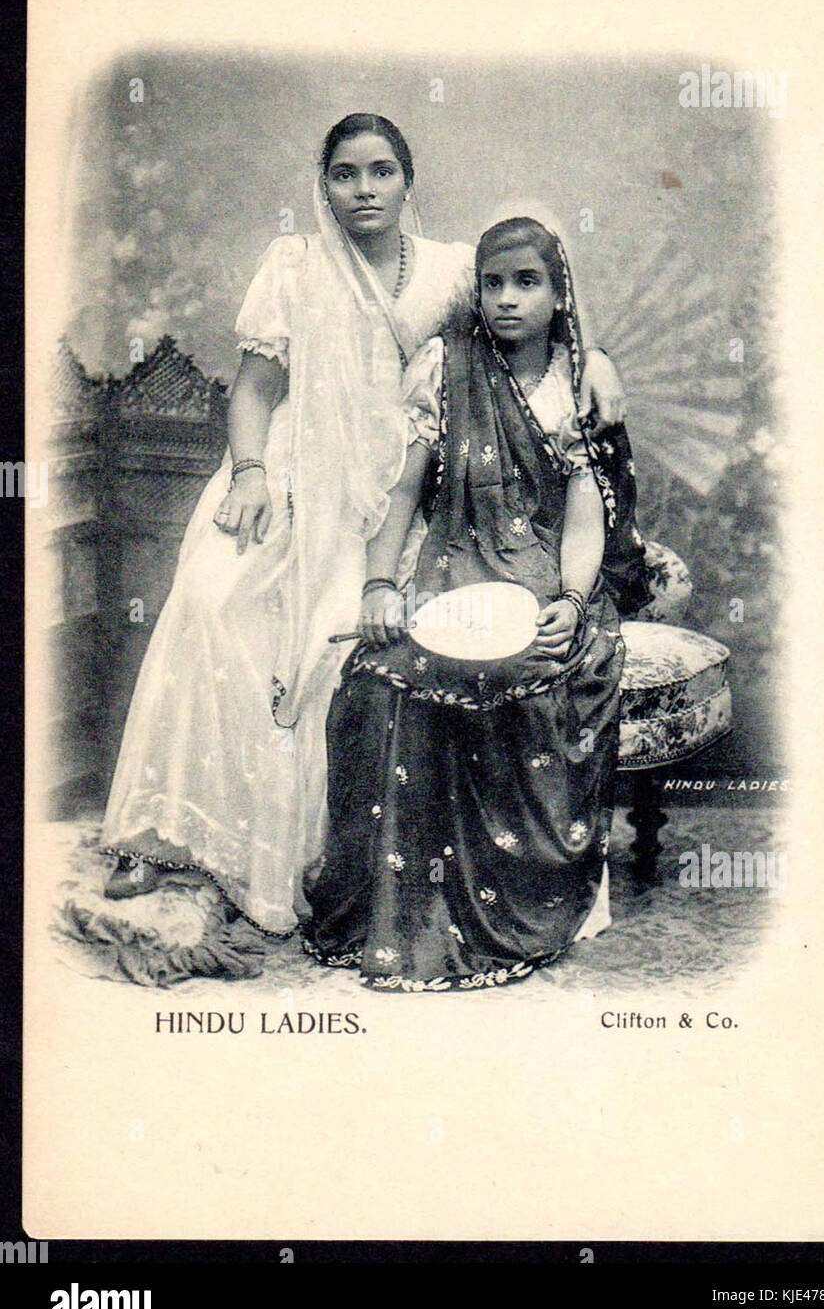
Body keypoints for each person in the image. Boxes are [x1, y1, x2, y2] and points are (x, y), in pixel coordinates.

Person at [100, 115, 627, 938]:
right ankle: (175, 841)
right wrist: (247, 474)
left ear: (407, 181)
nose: (364, 190)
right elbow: (252, 389)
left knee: (337, 641)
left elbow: (541, 317)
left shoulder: (454, 272)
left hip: (405, 491)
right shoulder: (294, 266)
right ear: (324, 184)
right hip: (293, 474)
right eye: (345, 174)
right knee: (211, 599)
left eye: (381, 172)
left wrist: (598, 364)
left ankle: (325, 859)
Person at [301, 216, 649, 990]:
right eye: (492, 283)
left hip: (547, 577)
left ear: (560, 295)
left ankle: (513, 898)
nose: (506, 299)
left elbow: (587, 507)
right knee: (378, 675)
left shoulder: (573, 380)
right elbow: (402, 491)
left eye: (527, 283)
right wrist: (380, 586)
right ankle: (395, 904)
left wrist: (568, 598)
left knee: (526, 675)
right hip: (454, 568)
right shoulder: (445, 367)